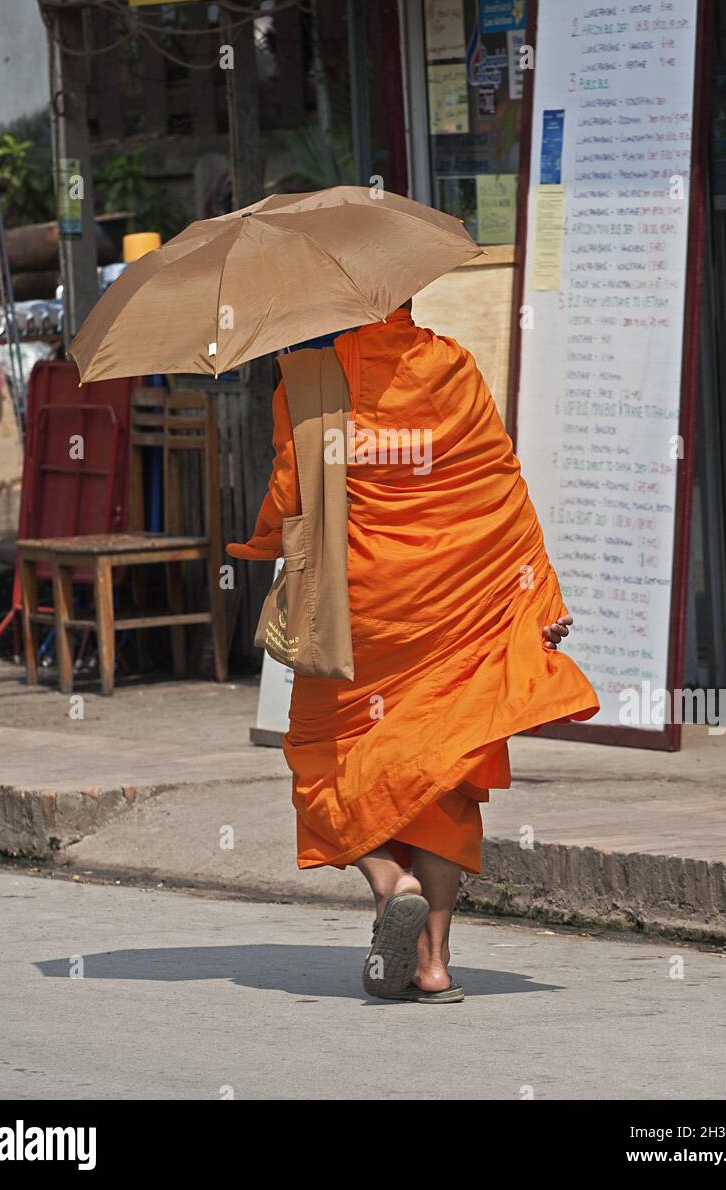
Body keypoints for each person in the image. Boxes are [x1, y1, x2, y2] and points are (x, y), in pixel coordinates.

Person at [227, 302, 598, 1003]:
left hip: (359, 608)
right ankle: (433, 965)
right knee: (439, 781)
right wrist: (538, 596)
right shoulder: (451, 365)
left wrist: (262, 541)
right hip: (458, 603)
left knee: (321, 754)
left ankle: (385, 881)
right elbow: (498, 481)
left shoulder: (308, 377)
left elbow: (290, 492)